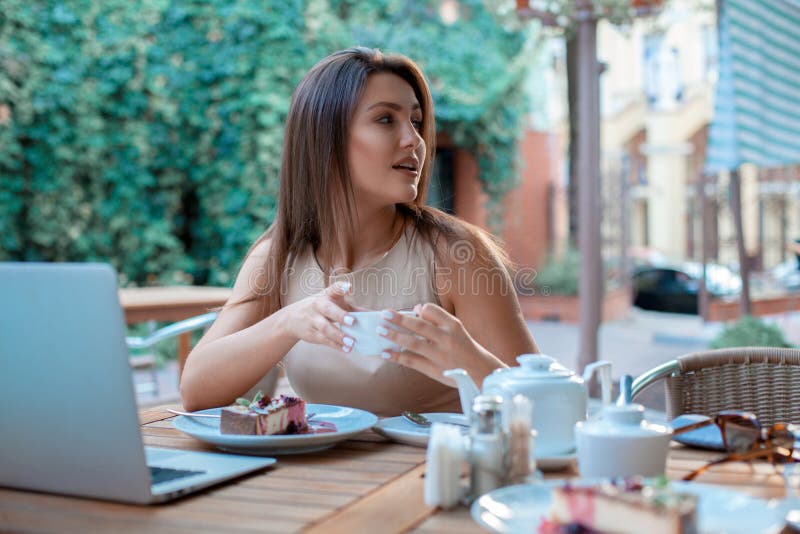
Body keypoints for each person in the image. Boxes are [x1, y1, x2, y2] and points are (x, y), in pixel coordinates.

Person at [180, 47, 539, 415]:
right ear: (326, 138)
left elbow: (548, 409)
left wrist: (475, 363)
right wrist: (288, 322)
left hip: (436, 469)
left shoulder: (455, 254)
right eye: (386, 119)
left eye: (415, 121)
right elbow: (196, 391)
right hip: (324, 472)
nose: (414, 140)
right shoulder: (279, 258)